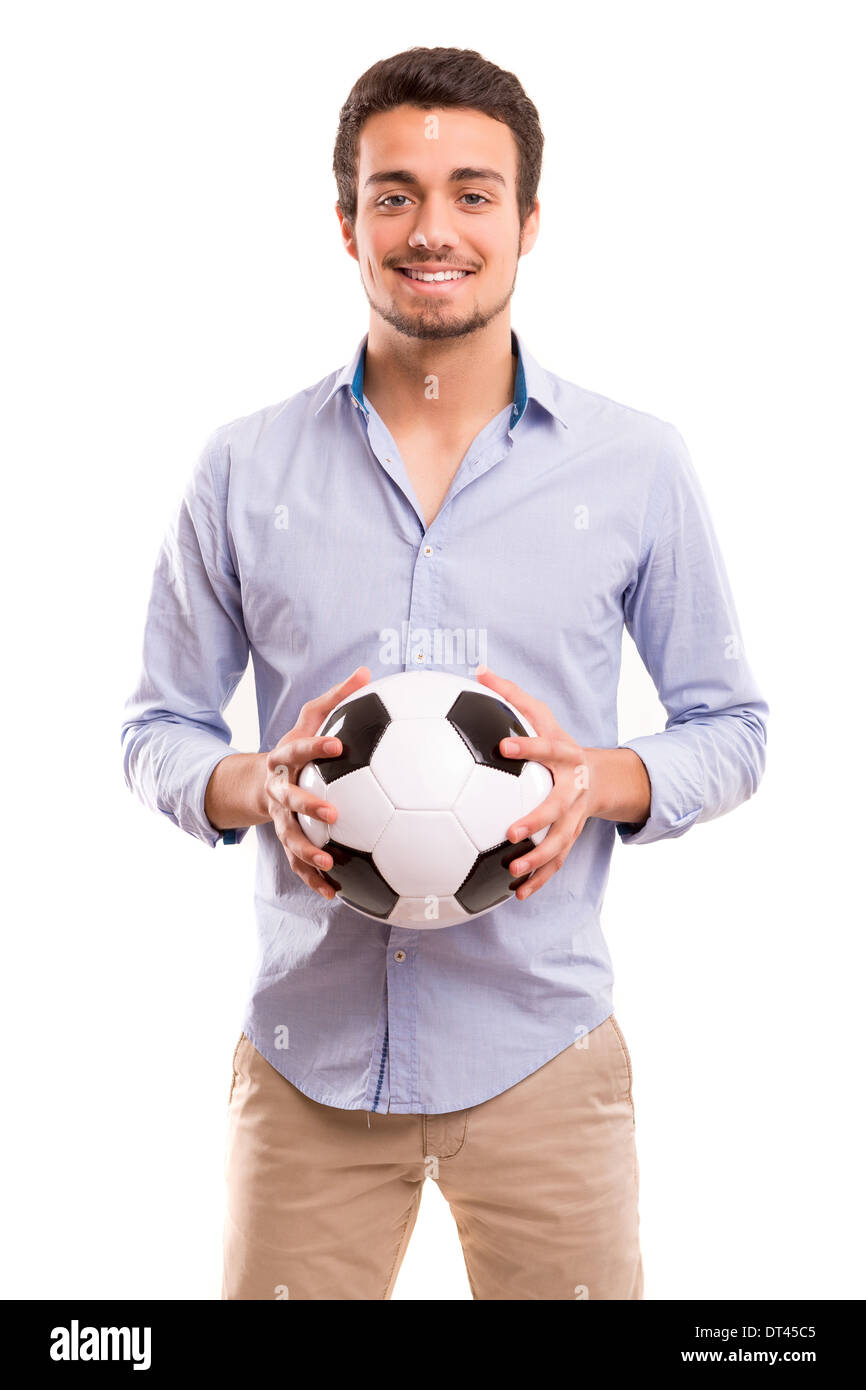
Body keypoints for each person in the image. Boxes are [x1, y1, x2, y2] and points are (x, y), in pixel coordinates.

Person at [121, 46, 768, 1301]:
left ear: (527, 221)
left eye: (472, 193)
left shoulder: (635, 464)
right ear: (347, 223)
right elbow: (156, 724)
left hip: (542, 1053)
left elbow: (730, 724)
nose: (433, 229)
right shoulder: (243, 468)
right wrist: (251, 786)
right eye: (395, 193)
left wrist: (605, 777)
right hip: (306, 1061)